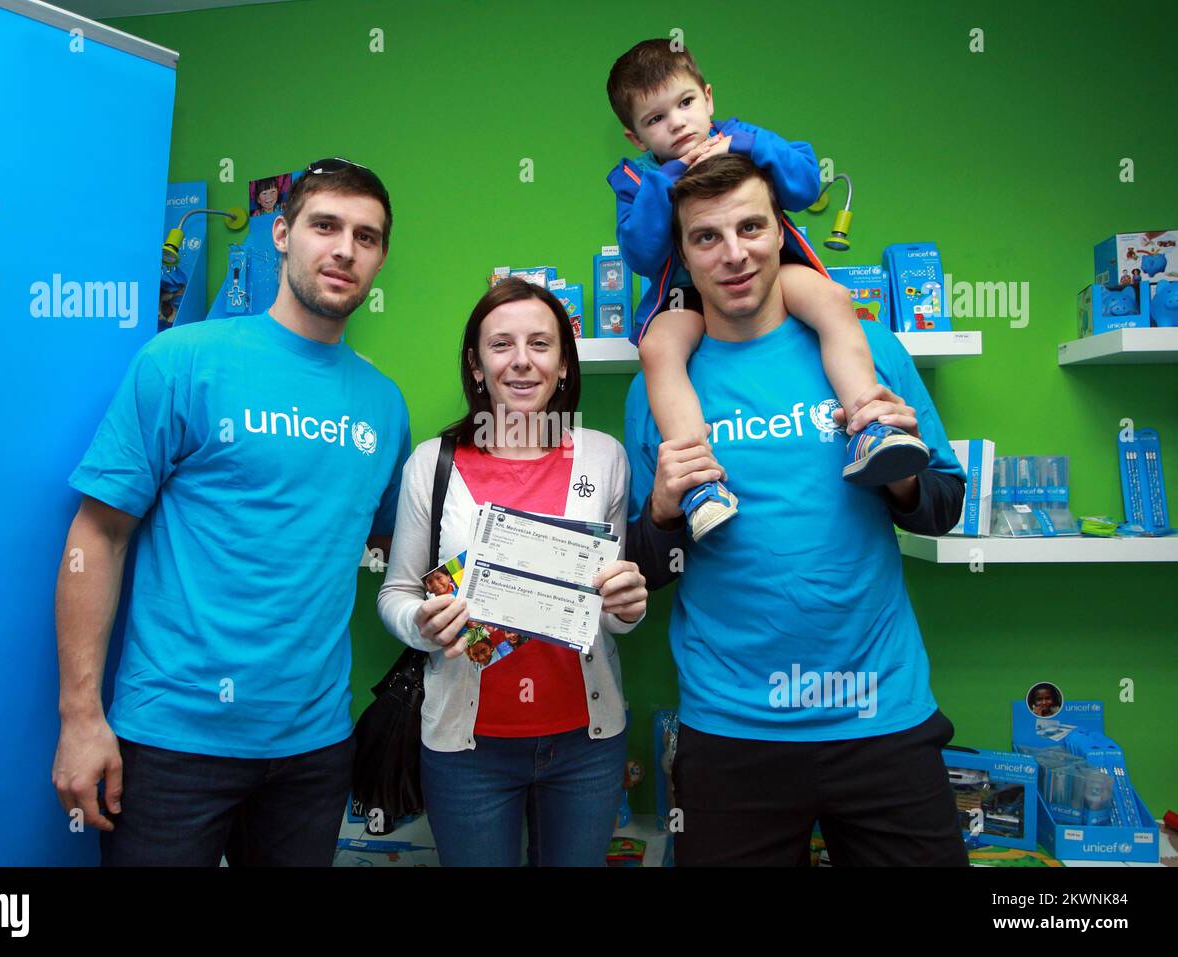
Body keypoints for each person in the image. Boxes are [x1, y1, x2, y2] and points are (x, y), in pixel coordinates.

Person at [52, 158, 410, 866]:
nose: (344, 249)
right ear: (281, 233)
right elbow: (98, 533)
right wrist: (80, 716)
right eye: (325, 226)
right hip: (171, 744)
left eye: (366, 237)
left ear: (380, 259)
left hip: (313, 751)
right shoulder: (182, 360)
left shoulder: (384, 403)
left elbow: (373, 539)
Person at [624, 154, 969, 866]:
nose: (735, 253)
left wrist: (901, 473)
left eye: (751, 226)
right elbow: (642, 574)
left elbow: (941, 509)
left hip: (882, 719)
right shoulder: (660, 389)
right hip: (732, 732)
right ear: (683, 255)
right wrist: (661, 509)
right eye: (707, 238)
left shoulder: (866, 349)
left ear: (780, 231)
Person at [606, 39, 928, 540]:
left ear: (709, 98)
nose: (677, 123)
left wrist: (747, 148)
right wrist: (668, 180)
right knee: (657, 347)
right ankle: (700, 486)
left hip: (781, 278)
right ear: (634, 136)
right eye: (656, 119)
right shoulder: (636, 179)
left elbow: (803, 185)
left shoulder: (744, 139)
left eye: (686, 103)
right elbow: (644, 254)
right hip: (684, 299)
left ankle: (872, 428)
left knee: (833, 300)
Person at [377, 278, 648, 867]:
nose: (521, 361)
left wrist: (628, 606)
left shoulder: (604, 457)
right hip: (465, 747)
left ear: (562, 363)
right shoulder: (433, 463)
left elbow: (611, 610)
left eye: (539, 344)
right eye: (501, 345)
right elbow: (395, 593)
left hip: (587, 743)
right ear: (476, 365)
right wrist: (423, 623)